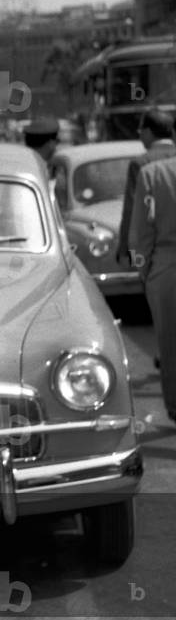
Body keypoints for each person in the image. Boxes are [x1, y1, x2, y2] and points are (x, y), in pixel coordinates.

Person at [129, 152, 176, 422]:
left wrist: (143, 268)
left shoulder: (153, 174)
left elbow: (141, 232)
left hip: (166, 265)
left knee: (169, 342)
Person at [117, 108, 175, 267]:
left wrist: (125, 250)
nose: (140, 135)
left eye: (140, 130)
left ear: (149, 131)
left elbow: (132, 209)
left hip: (156, 251)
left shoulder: (141, 164)